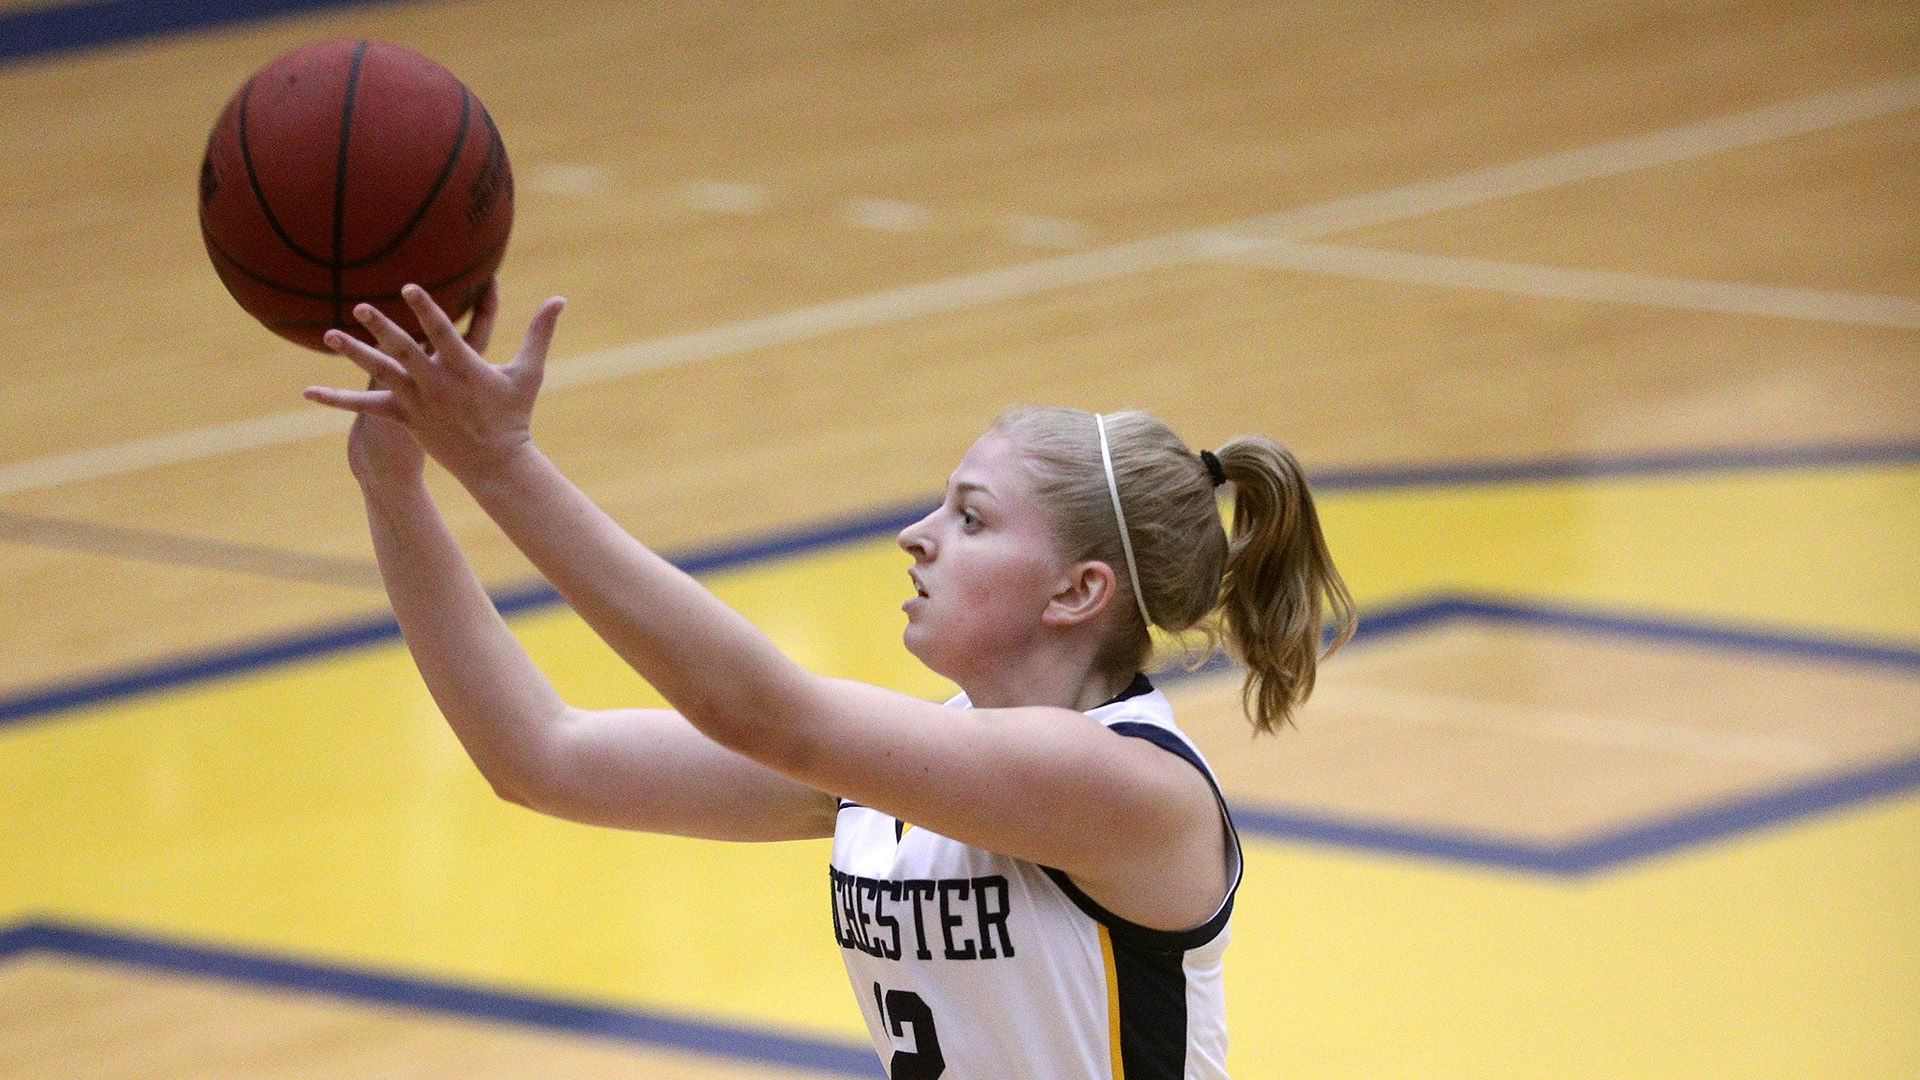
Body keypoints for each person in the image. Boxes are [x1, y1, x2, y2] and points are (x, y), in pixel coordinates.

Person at [304, 284, 1355, 1080]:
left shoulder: (1125, 785)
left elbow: (763, 713)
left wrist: (502, 463)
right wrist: (392, 483)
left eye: (971, 518)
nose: (917, 536)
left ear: (1078, 591)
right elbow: (541, 756)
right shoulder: (904, 775)